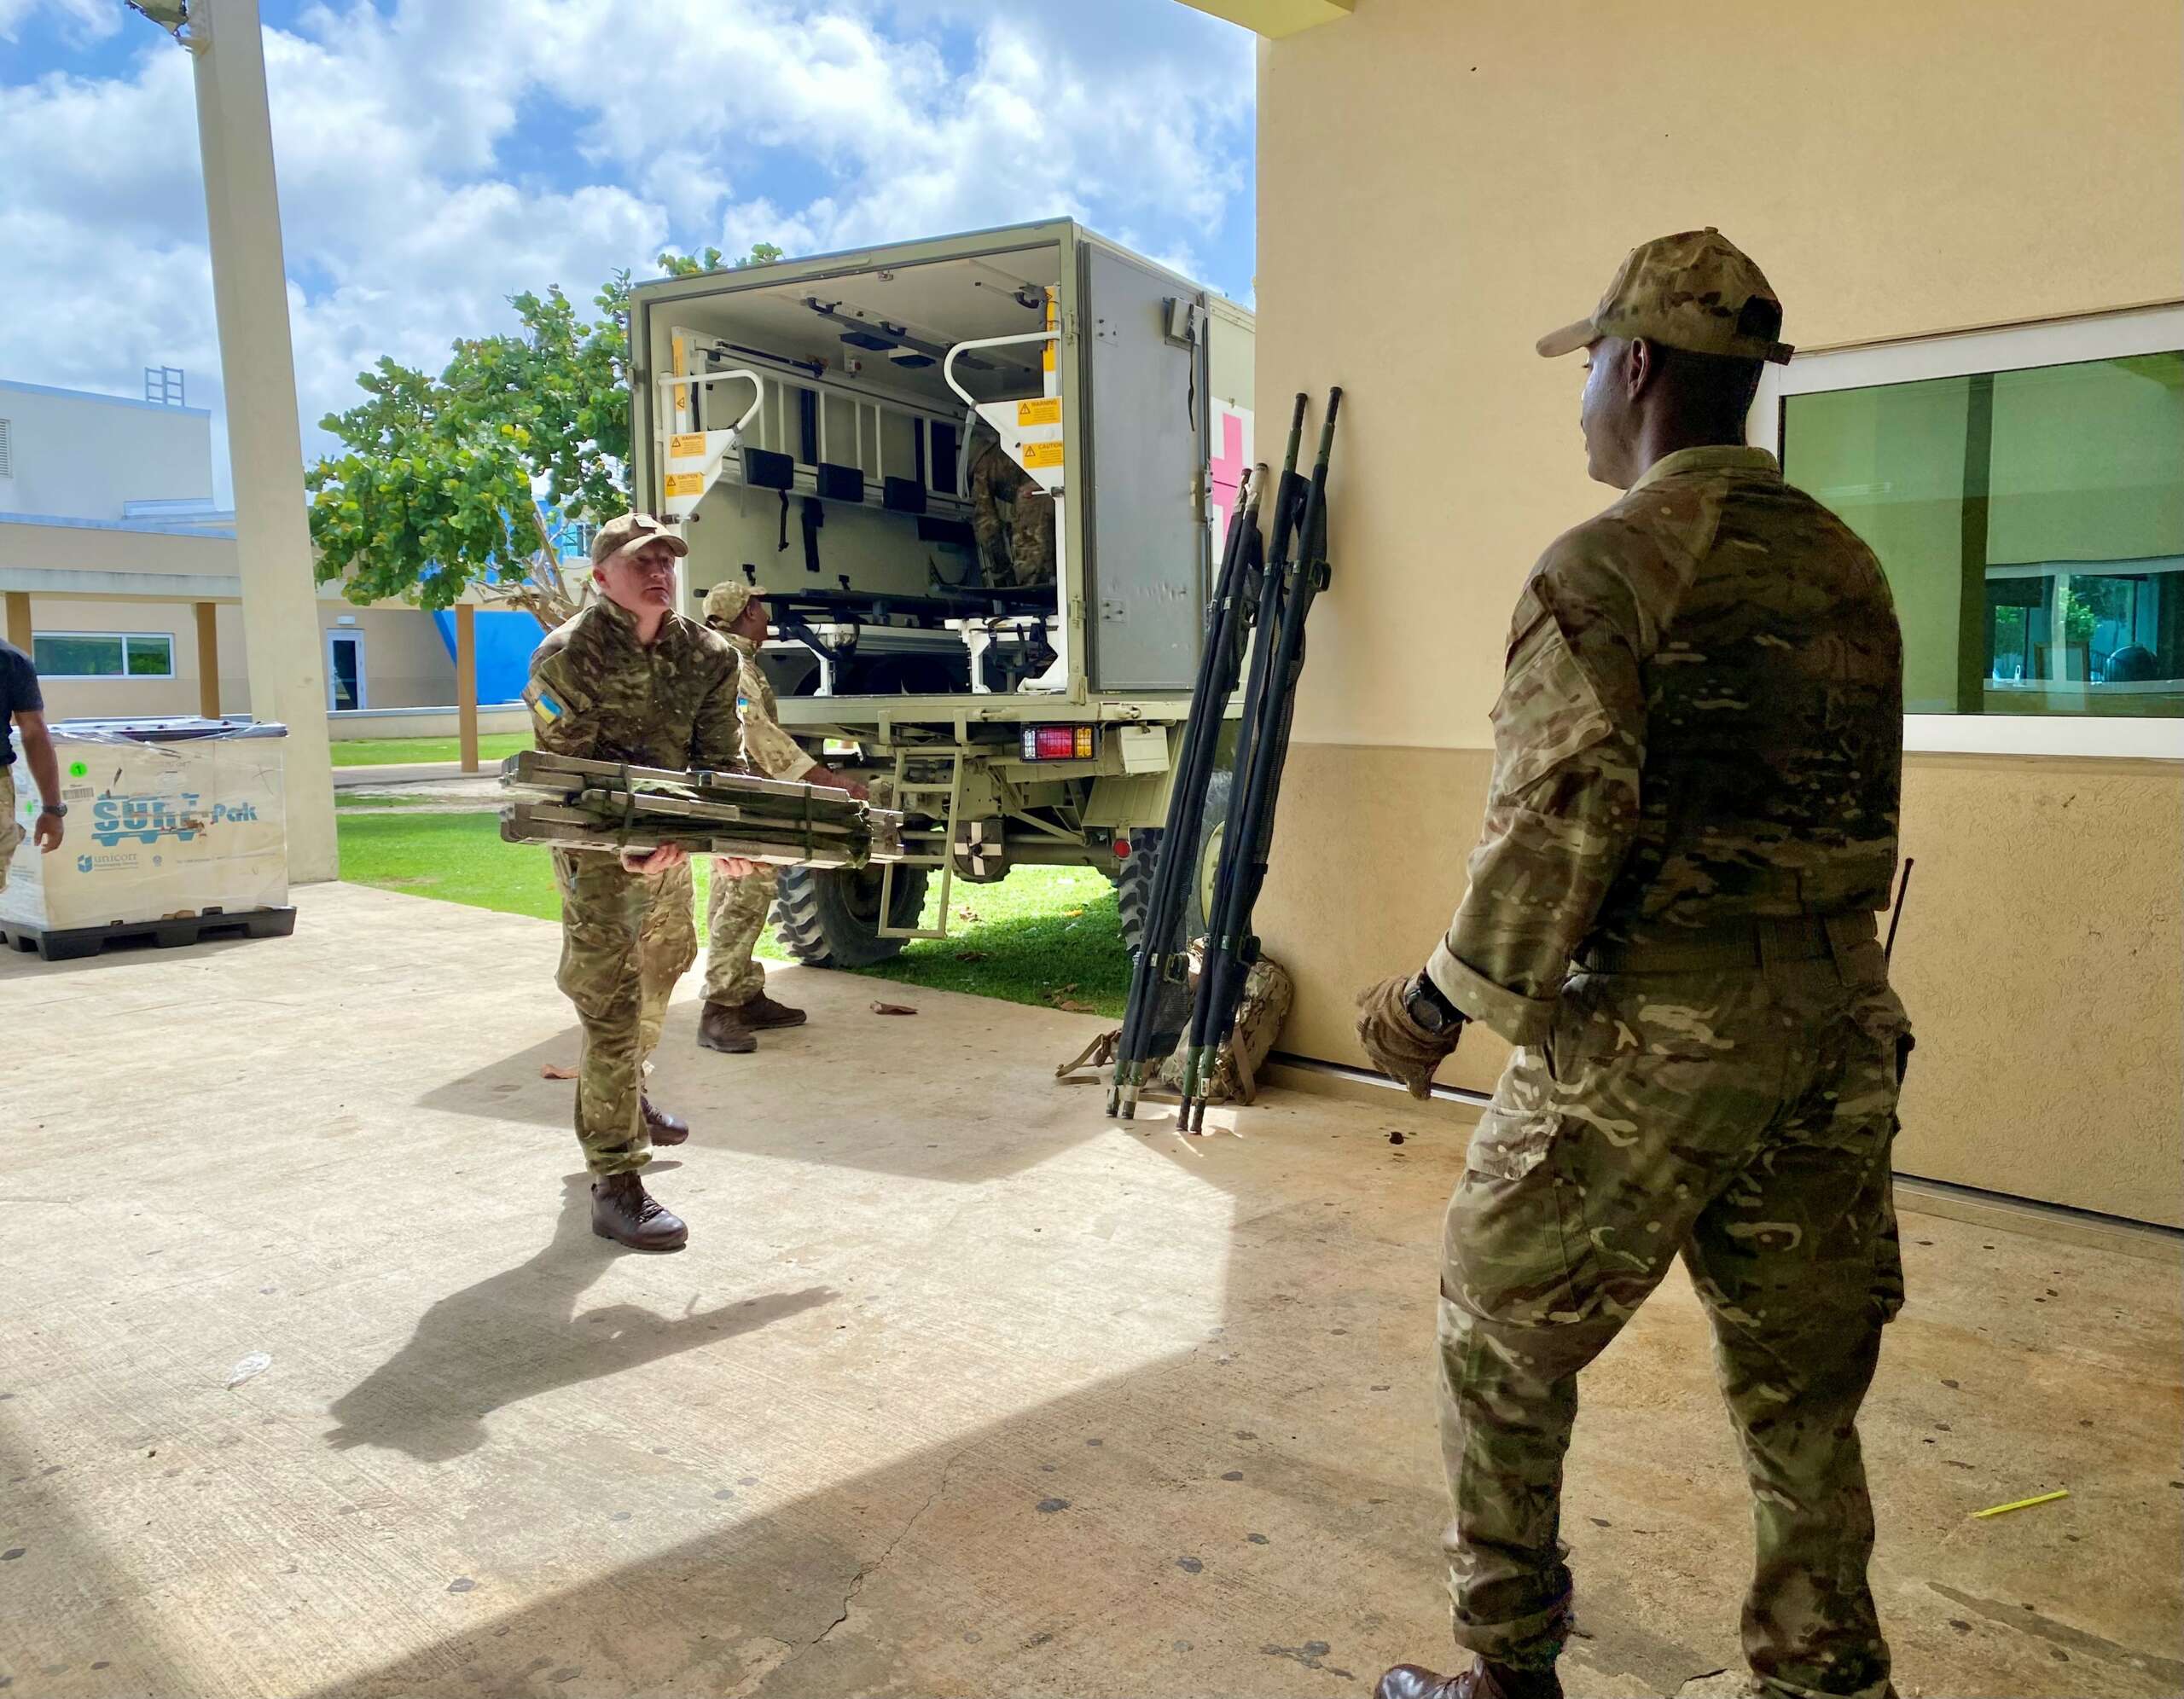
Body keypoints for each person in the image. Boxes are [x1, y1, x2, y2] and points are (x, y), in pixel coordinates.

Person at [1354, 230, 1909, 1699]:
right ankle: (1825, 1676)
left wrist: (1436, 1002)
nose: (1580, 399)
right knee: (1802, 1386)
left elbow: (1558, 822)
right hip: (1839, 1021)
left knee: (1497, 1327)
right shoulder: (1847, 565)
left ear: (1640, 366)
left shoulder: (1607, 564)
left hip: (1657, 1031)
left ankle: (1505, 1669)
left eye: (1589, 365)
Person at [526, 512, 759, 1251]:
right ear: (600, 578)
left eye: (666, 558)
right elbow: (569, 784)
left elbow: (722, 761)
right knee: (611, 1009)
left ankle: (629, 1090)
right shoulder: (568, 656)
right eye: (639, 560)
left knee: (664, 973)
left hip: (670, 852)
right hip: (599, 859)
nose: (659, 570)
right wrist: (626, 849)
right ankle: (616, 1180)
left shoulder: (710, 655)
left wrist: (737, 834)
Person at [694, 578, 867, 1054]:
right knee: (746, 893)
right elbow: (755, 733)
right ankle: (721, 1008)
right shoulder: (730, 663)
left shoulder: (724, 654)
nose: (768, 617)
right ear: (748, 611)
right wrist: (822, 778)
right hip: (746, 794)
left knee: (735, 890)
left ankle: (744, 994)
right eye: (761, 607)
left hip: (740, 790)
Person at [0, 636, 66, 888]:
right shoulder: (11, 658)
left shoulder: (10, 660)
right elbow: (34, 732)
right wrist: (52, 809)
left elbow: (34, 733)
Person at [965, 427, 1057, 589]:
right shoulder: (997, 451)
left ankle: (1033, 586)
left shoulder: (980, 468)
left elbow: (986, 522)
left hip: (1035, 489)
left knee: (1026, 533)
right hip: (1051, 478)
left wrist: (1000, 565)